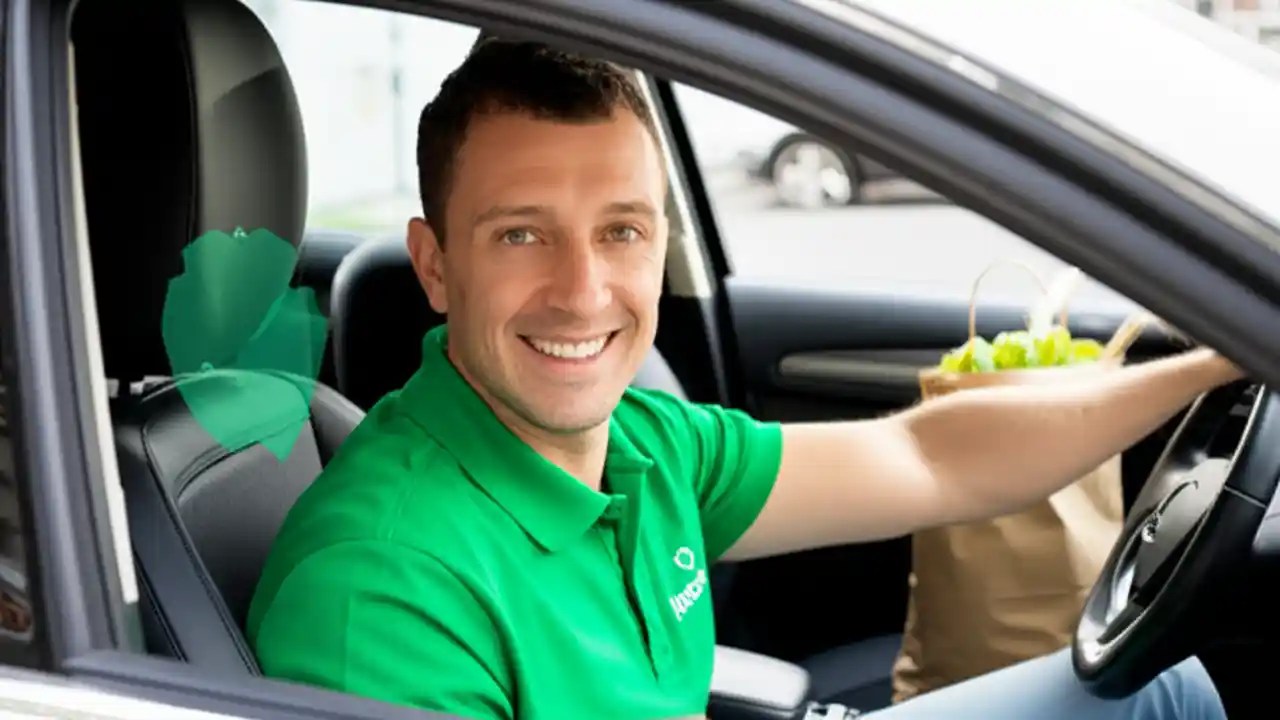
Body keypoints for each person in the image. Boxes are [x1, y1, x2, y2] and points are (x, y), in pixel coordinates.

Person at [245, 39, 1238, 720]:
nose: (582, 292)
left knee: (1162, 690)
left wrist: (1210, 365)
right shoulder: (379, 592)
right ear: (434, 265)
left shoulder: (643, 444)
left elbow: (929, 456)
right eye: (520, 235)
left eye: (620, 231)